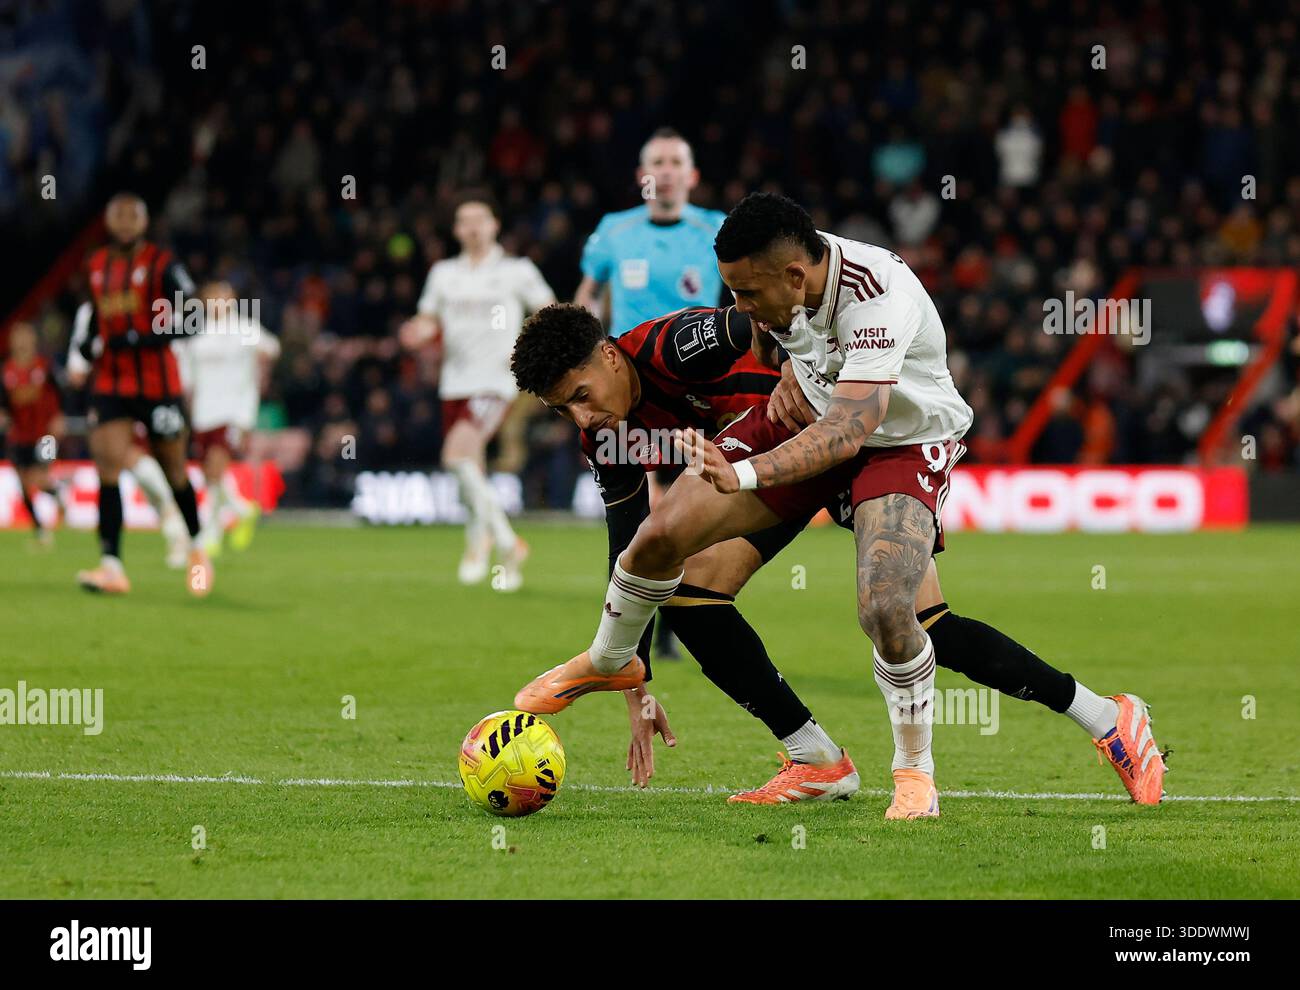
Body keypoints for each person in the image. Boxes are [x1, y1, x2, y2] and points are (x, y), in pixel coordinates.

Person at [516, 195, 1166, 816]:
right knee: (674, 566)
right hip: (796, 426)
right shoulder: (775, 297)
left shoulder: (869, 297)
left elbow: (841, 425)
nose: (738, 307)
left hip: (895, 439)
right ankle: (810, 755)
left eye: (746, 294)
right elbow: (632, 533)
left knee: (901, 613)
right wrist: (636, 677)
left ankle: (1082, 726)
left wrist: (742, 468)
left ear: (794, 275)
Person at [575, 127, 728, 659]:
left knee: (683, 508)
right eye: (656, 162)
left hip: (698, 390)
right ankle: (649, 626)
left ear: (691, 175)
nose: (664, 171)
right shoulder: (614, 232)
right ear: (643, 175)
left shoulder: (717, 229)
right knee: (646, 508)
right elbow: (587, 295)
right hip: (628, 392)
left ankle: (655, 617)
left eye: (674, 162)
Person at [399, 192, 555, 590]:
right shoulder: (443, 273)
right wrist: (418, 332)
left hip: (495, 382)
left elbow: (549, 312)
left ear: (494, 225)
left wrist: (526, 350)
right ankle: (486, 548)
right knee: (472, 469)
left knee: (455, 456)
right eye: (464, 221)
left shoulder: (517, 270)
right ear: (455, 230)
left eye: (479, 219)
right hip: (454, 382)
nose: (471, 227)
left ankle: (504, 541)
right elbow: (428, 319)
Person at [72, 192, 212, 596]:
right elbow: (99, 314)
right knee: (107, 467)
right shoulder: (96, 264)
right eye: (118, 215)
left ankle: (198, 549)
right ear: (108, 220)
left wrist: (145, 336)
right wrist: (88, 342)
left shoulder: (163, 264)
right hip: (111, 383)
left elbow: (193, 319)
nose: (126, 222)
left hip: (157, 385)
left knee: (174, 471)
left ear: (145, 222)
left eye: (133, 215)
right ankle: (112, 566)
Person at [180, 280, 279, 556]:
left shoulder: (243, 329)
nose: (218, 303)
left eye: (223, 297)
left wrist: (263, 358)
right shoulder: (197, 334)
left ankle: (211, 532)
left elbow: (272, 347)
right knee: (212, 474)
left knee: (215, 465)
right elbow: (187, 378)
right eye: (212, 298)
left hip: (234, 410)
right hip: (203, 413)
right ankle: (241, 509)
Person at [1, 321, 64, 546]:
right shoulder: (6, 370)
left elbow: (61, 391)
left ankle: (58, 493)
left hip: (44, 434)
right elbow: (4, 402)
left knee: (38, 477)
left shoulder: (44, 366)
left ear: (33, 340)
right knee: (23, 484)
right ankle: (40, 530)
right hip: (19, 435)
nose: (21, 341)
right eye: (17, 337)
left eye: (25, 336)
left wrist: (59, 416)